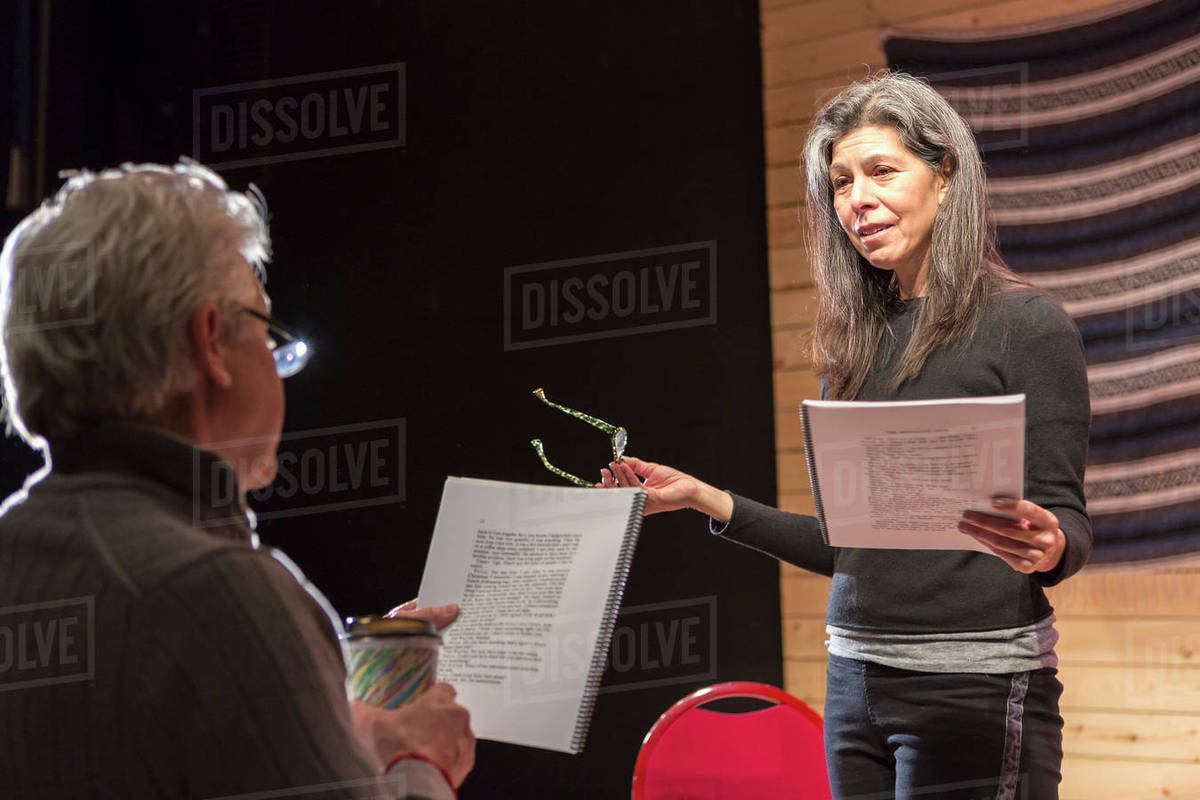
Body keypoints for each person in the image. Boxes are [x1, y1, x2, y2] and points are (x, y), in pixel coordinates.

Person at [601, 72, 1090, 800]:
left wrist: (1049, 545)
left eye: (883, 171)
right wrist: (706, 499)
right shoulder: (856, 345)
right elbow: (849, 545)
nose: (857, 199)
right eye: (840, 181)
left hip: (974, 688)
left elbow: (1068, 528)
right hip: (853, 684)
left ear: (946, 175)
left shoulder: (1027, 327)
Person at [0, 161, 473, 799]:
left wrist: (322, 694)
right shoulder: (220, 593)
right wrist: (420, 763)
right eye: (269, 333)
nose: (279, 371)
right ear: (211, 342)